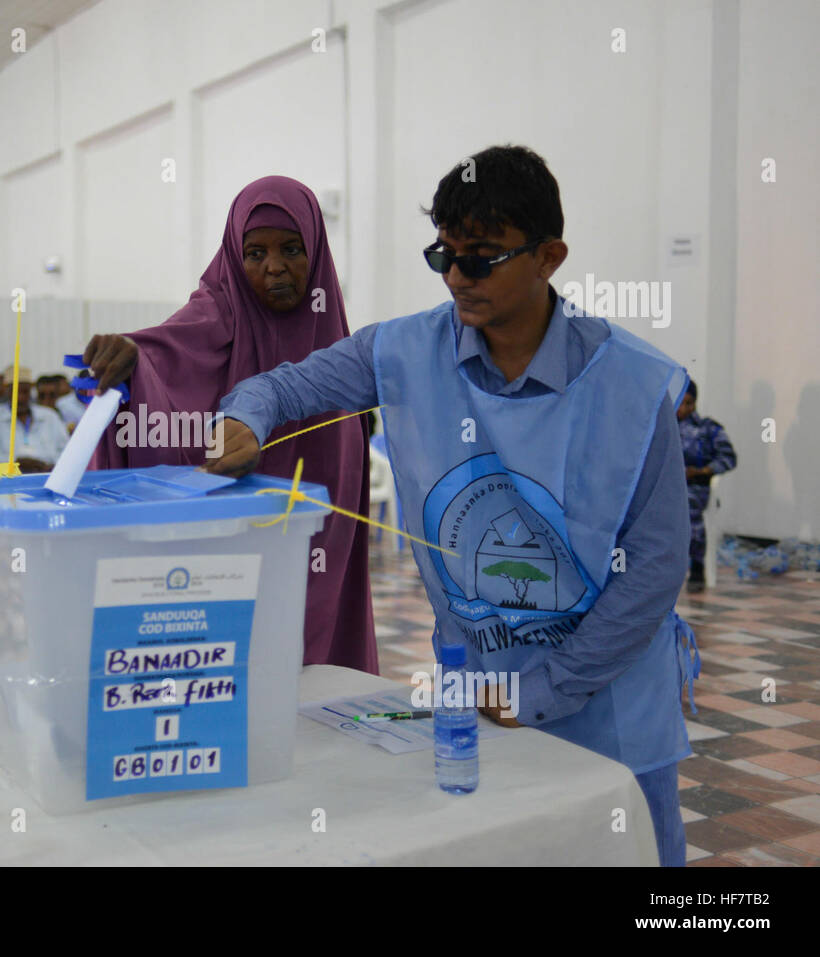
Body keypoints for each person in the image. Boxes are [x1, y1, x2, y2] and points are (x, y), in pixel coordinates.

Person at [205, 147, 698, 867]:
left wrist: (543, 689)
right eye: (445, 254)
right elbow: (286, 388)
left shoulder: (629, 383)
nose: (458, 277)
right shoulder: (407, 349)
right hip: (481, 690)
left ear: (550, 256)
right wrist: (246, 416)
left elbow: (653, 569)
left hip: (611, 699)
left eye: (483, 257)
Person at [83, 174, 374, 674]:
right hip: (242, 530)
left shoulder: (333, 328)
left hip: (326, 501)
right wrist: (131, 358)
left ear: (317, 250)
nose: (274, 267)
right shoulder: (222, 308)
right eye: (255, 253)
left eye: (291, 249)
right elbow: (168, 351)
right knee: (243, 649)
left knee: (317, 634)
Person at [677, 380, 737, 592]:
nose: (683, 409)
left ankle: (697, 565)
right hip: (665, 488)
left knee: (688, 507)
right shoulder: (661, 427)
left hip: (694, 487)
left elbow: (729, 458)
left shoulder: (707, 429)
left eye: (689, 403)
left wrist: (701, 471)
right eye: (680, 403)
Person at [0, 368, 69, 472]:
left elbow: (65, 451)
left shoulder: (50, 416)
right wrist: (20, 464)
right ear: (6, 390)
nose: (20, 398)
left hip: (47, 476)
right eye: (15, 392)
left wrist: (48, 466)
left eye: (25, 392)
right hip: (9, 480)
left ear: (31, 390)